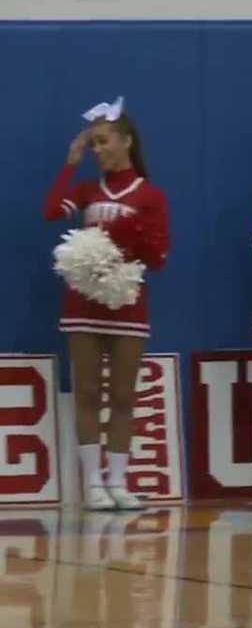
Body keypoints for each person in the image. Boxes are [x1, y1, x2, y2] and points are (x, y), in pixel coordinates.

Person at [43, 96, 169, 511]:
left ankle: (117, 481)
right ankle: (93, 484)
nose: (98, 150)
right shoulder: (87, 190)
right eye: (93, 143)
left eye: (103, 141)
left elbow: (159, 257)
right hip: (83, 305)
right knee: (87, 392)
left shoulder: (150, 195)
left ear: (126, 141)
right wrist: (70, 163)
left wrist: (133, 243)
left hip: (127, 304)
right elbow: (51, 210)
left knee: (123, 395)